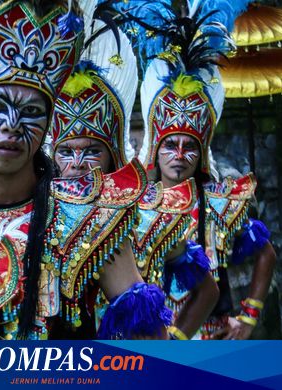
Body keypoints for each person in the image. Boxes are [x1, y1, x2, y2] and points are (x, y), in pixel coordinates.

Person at [0, 0, 172, 340]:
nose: (12, 125)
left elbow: (152, 347)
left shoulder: (88, 219)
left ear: (48, 123)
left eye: (31, 110)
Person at [49, 23, 219, 339]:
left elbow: (207, 291)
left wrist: (177, 342)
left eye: (90, 151)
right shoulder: (39, 216)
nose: (76, 165)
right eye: (66, 151)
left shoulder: (156, 214)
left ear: (112, 153)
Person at [130, 0, 278, 340]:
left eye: (190, 146)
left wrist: (250, 315)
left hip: (211, 335)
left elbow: (265, 253)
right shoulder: (135, 202)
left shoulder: (219, 201)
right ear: (155, 147)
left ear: (202, 151)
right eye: (170, 145)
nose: (179, 155)